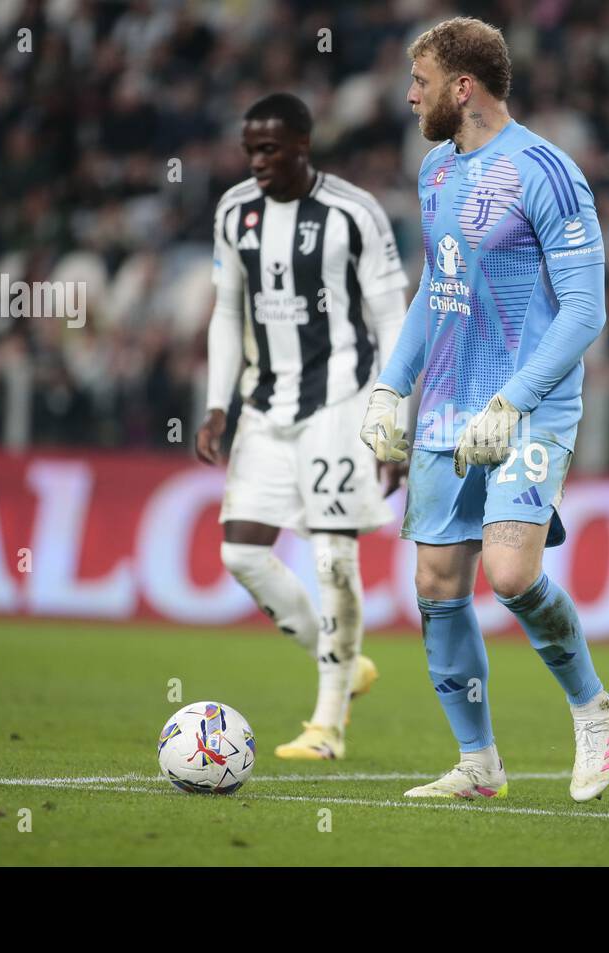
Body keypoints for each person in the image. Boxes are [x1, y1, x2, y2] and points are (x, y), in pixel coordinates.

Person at [360, 17, 609, 802]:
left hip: (529, 406)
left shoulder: (546, 171)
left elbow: (585, 312)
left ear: (462, 87)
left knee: (510, 574)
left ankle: (595, 709)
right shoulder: (436, 171)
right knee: (439, 584)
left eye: (422, 81)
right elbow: (435, 295)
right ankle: (479, 765)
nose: (410, 96)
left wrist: (513, 403)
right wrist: (391, 386)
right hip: (446, 407)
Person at [197, 92, 408, 759]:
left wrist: (390, 419)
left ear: (303, 146)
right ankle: (341, 659)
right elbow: (228, 311)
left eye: (271, 149)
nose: (258, 161)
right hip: (265, 403)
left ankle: (328, 726)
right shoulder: (235, 212)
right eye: (249, 150)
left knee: (332, 554)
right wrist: (216, 404)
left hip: (341, 399)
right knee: (240, 553)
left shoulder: (354, 213)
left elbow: (393, 319)